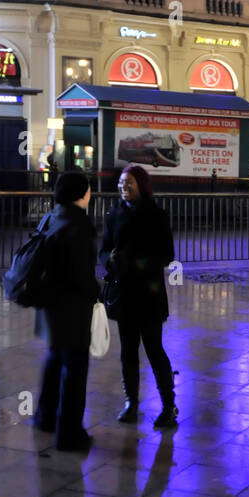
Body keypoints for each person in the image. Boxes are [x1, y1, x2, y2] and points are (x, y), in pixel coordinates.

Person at [100, 163, 177, 428]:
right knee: (128, 351)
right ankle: (131, 402)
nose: (124, 187)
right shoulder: (113, 213)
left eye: (129, 182)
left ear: (141, 185)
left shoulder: (156, 215)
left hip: (149, 294)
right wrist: (110, 260)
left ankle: (169, 405)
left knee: (154, 349)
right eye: (121, 182)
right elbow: (103, 249)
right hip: (123, 294)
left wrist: (136, 263)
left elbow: (167, 254)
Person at [33, 171, 99, 451]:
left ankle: (45, 418)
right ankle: (69, 433)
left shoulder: (51, 217)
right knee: (75, 368)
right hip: (72, 307)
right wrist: (96, 293)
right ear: (82, 194)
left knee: (55, 358)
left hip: (50, 304)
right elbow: (81, 273)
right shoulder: (79, 224)